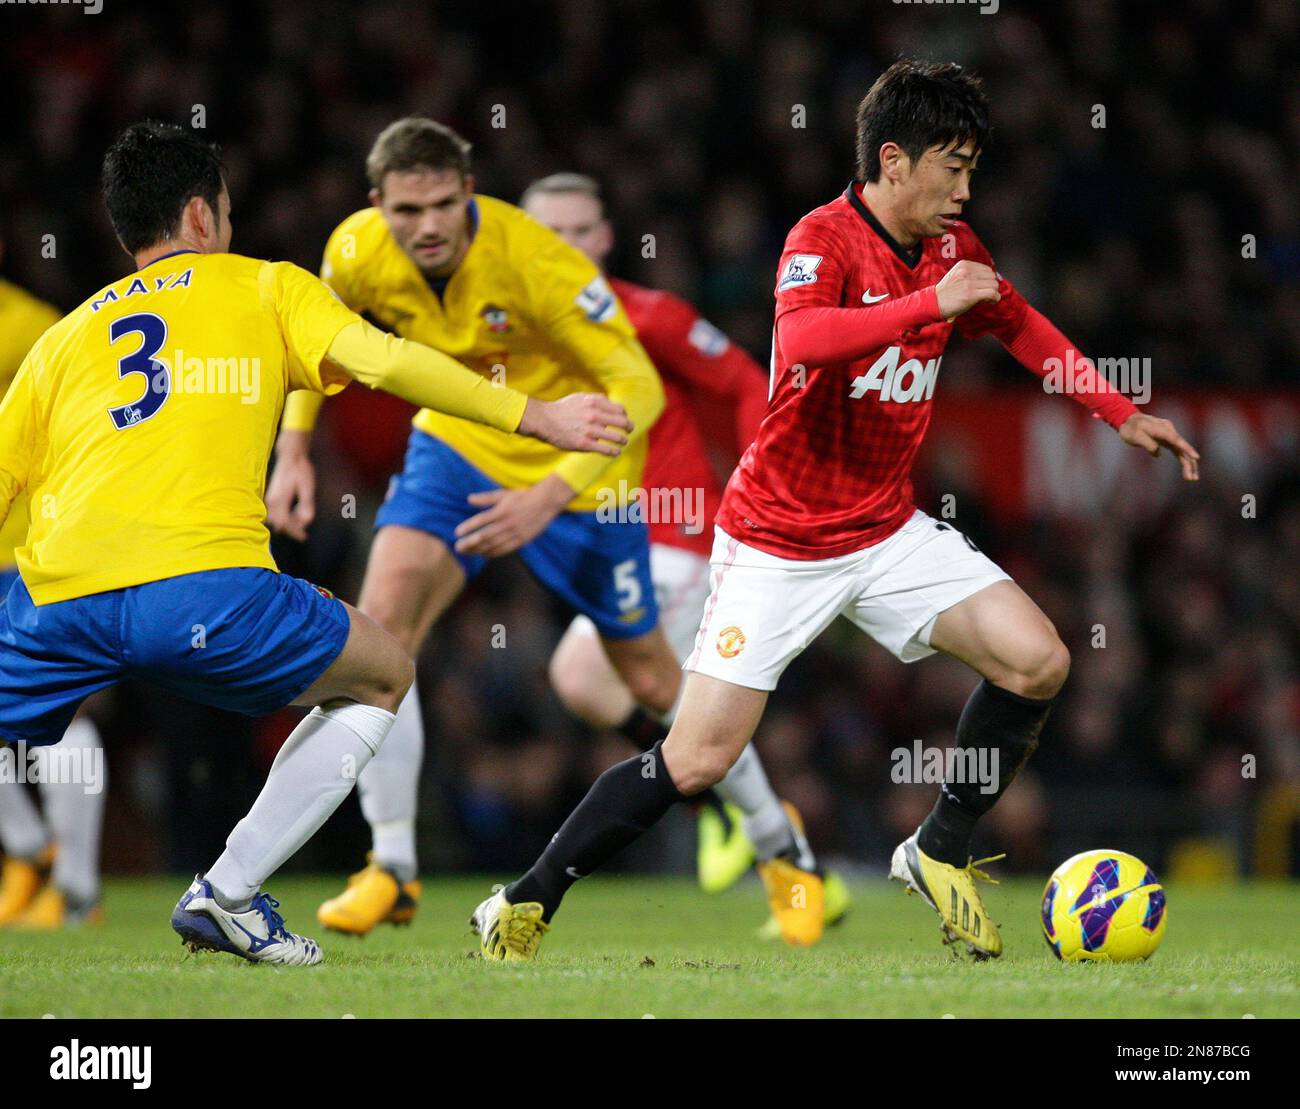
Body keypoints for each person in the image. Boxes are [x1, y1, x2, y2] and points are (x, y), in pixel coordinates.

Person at [470, 60, 1200, 962]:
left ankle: (937, 848)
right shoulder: (821, 237)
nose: (966, 190)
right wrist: (926, 304)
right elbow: (804, 339)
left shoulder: (954, 250)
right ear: (894, 160)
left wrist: (1119, 410)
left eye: (974, 170)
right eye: (954, 166)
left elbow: (1017, 324)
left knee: (1039, 660)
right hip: (776, 540)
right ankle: (524, 899)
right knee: (695, 760)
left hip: (886, 530)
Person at [0, 120, 626, 966]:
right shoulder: (264, 286)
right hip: (203, 586)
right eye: (223, 210)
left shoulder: (61, 338)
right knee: (383, 672)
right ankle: (227, 891)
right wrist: (537, 415)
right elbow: (393, 363)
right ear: (199, 216)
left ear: (123, 231)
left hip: (54, 597)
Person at [266, 118, 825, 942]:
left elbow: (637, 390)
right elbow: (317, 341)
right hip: (459, 442)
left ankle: (783, 851)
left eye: (443, 206)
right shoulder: (353, 250)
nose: (425, 226)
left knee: (653, 684)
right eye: (406, 208)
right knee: (379, 633)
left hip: (582, 471)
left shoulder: (538, 264)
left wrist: (543, 496)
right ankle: (391, 866)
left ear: (470, 197)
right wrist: (295, 446)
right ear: (377, 202)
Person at [522, 172, 849, 942]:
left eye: (580, 230)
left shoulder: (648, 314)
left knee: (581, 671)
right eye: (549, 232)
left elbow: (743, 379)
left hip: (680, 536)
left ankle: (734, 821)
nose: (565, 245)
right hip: (611, 545)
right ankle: (789, 863)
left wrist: (757, 468)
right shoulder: (517, 337)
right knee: (681, 712)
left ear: (604, 239)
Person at [0, 257, 106, 929]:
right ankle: (33, 854)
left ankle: (73, 885)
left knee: (62, 717)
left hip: (37, 555)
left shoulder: (31, 327)